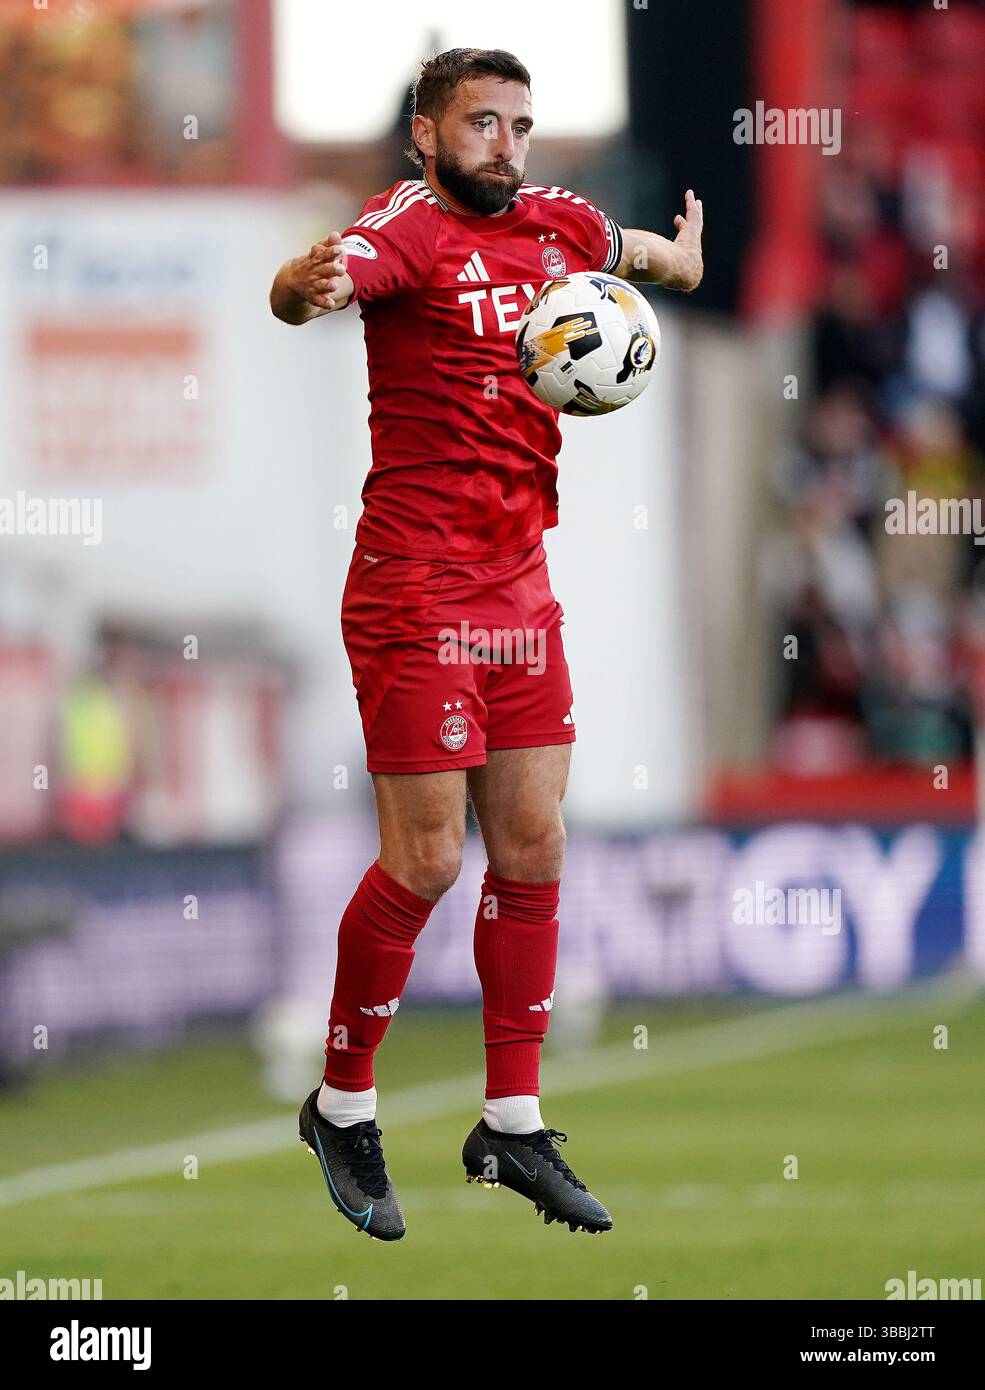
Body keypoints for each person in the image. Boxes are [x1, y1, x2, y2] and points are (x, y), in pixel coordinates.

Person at [270, 47, 703, 1241]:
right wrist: (297, 286)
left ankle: (510, 1121)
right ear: (426, 136)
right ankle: (342, 1100)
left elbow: (644, 255)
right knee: (422, 859)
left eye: (518, 123)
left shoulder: (556, 223)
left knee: (533, 842)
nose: (503, 143)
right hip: (413, 588)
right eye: (479, 124)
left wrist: (679, 258)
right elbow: (313, 288)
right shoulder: (401, 227)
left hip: (518, 587)